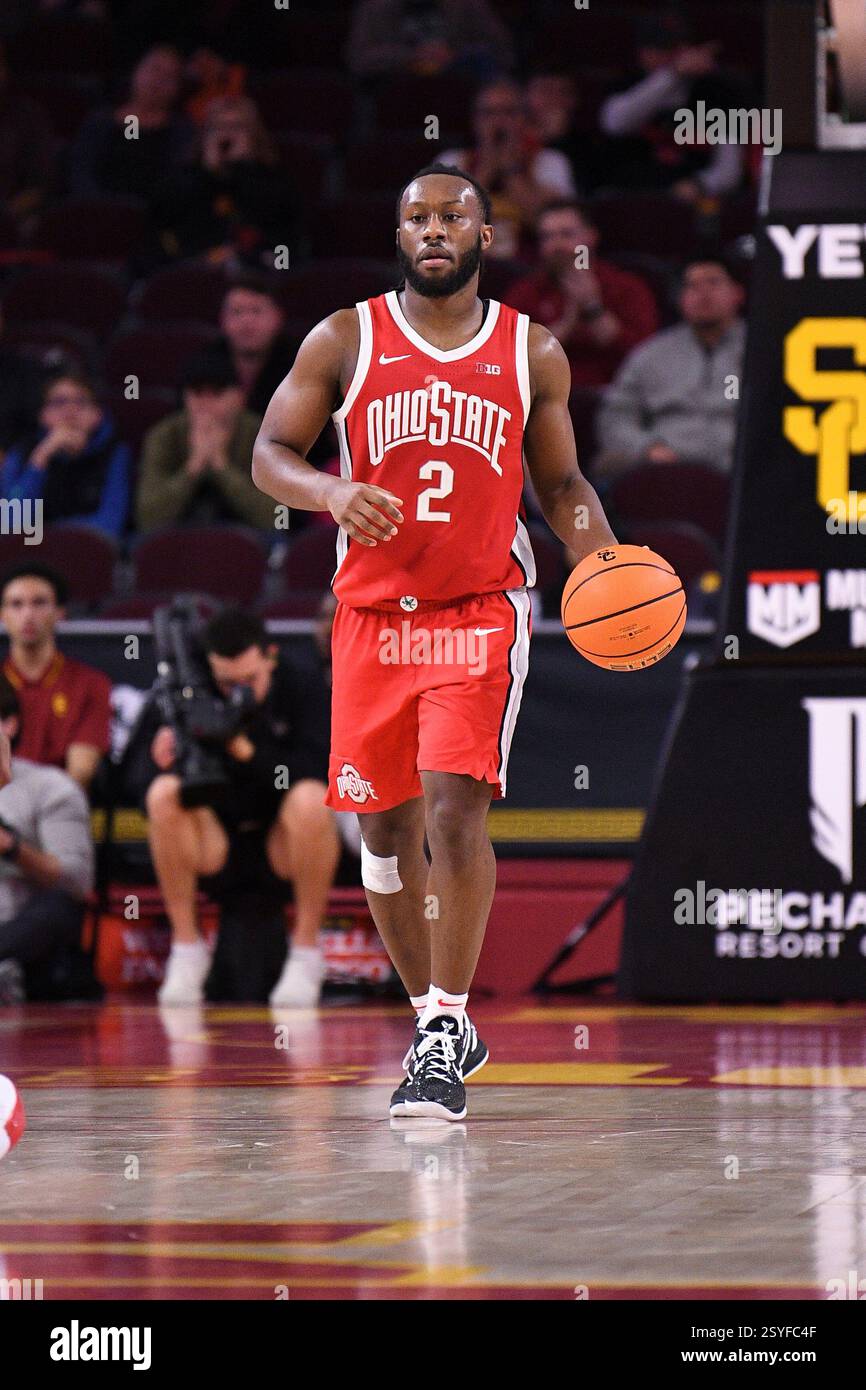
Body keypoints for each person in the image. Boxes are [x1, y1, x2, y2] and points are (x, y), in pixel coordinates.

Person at [251, 161, 617, 1120]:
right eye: (416, 215)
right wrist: (330, 491)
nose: (435, 229)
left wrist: (604, 560)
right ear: (399, 235)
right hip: (373, 616)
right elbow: (268, 455)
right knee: (383, 835)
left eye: (455, 215)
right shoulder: (345, 337)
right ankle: (432, 1018)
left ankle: (447, 1026)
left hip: (478, 610)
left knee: (456, 808)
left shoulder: (530, 350)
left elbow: (563, 485)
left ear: (487, 237)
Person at [147, 608, 339, 1009]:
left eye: (250, 680)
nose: (238, 691)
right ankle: (187, 949)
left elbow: (318, 771)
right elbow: (128, 782)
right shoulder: (187, 688)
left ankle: (306, 953)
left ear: (270, 656)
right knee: (162, 793)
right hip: (214, 841)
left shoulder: (302, 684)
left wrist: (244, 748)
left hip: (282, 844)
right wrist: (161, 755)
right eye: (227, 683)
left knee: (309, 799)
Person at [596, 255, 746, 478]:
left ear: (737, 293)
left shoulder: (763, 351)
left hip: (739, 467)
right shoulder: (650, 354)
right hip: (664, 465)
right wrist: (647, 447)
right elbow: (615, 418)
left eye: (714, 283)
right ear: (680, 298)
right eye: (692, 286)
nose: (703, 293)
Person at [0, 675, 95, 1005]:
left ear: (8, 725)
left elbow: (76, 883)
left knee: (58, 907)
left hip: (21, 932)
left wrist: (11, 848)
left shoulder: (51, 788)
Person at [508, 201, 659, 388]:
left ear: (591, 237)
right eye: (547, 237)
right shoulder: (528, 291)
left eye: (567, 234)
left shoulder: (625, 287)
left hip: (614, 396)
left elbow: (645, 357)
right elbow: (514, 356)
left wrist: (593, 308)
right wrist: (570, 319)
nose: (556, 245)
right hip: (545, 398)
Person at [598, 11, 746, 202]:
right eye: (660, 48)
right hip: (629, 196)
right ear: (642, 52)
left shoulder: (716, 93)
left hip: (692, 200)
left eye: (677, 47)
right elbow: (615, 124)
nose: (671, 55)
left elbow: (730, 170)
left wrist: (701, 184)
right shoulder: (625, 85)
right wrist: (672, 74)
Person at [150, 95, 298, 268]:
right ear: (204, 134)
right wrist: (208, 173)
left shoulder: (274, 181)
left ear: (254, 134)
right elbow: (169, 228)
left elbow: (287, 245)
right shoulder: (182, 179)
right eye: (218, 127)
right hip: (196, 273)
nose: (227, 135)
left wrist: (243, 169)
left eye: (237, 127)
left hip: (259, 274)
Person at [0, 563, 111, 791]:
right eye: (16, 604)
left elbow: (80, 772)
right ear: (2, 615)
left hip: (59, 806)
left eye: (39, 603)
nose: (28, 615)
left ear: (60, 613)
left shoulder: (91, 684)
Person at [135, 354, 275, 532]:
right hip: (178, 538)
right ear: (185, 397)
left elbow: (274, 519)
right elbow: (147, 519)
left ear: (240, 397)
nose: (205, 404)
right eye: (197, 393)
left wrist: (221, 466)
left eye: (217, 393)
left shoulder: (262, 435)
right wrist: (193, 468)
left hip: (250, 540)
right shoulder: (164, 435)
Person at [441, 80, 577, 258]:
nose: (498, 121)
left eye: (508, 113)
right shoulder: (451, 162)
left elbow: (548, 225)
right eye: (489, 113)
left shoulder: (549, 161)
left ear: (523, 119)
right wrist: (486, 169)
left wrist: (511, 171)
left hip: (530, 270)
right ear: (475, 121)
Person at [1, 369, 130, 540]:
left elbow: (110, 525)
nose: (70, 410)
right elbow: (11, 523)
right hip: (29, 555)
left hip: (87, 554)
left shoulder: (115, 453)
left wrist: (50, 534)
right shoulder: (24, 453)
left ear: (98, 414)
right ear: (42, 414)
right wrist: (40, 459)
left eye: (81, 402)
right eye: (58, 402)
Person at [68, 45, 194, 201]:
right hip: (96, 210)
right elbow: (81, 171)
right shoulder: (101, 121)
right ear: (137, 71)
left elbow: (177, 184)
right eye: (155, 69)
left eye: (169, 75)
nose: (158, 80)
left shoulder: (181, 131)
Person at [345, 0, 513, 79]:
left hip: (461, 85)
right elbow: (358, 59)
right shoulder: (374, 8)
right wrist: (412, 56)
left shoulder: (469, 5)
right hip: (397, 87)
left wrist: (454, 54)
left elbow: (502, 51)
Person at [207, 273, 296, 419]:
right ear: (222, 319)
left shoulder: (302, 363)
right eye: (237, 312)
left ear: (278, 317)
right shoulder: (203, 366)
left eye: (256, 311)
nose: (246, 322)